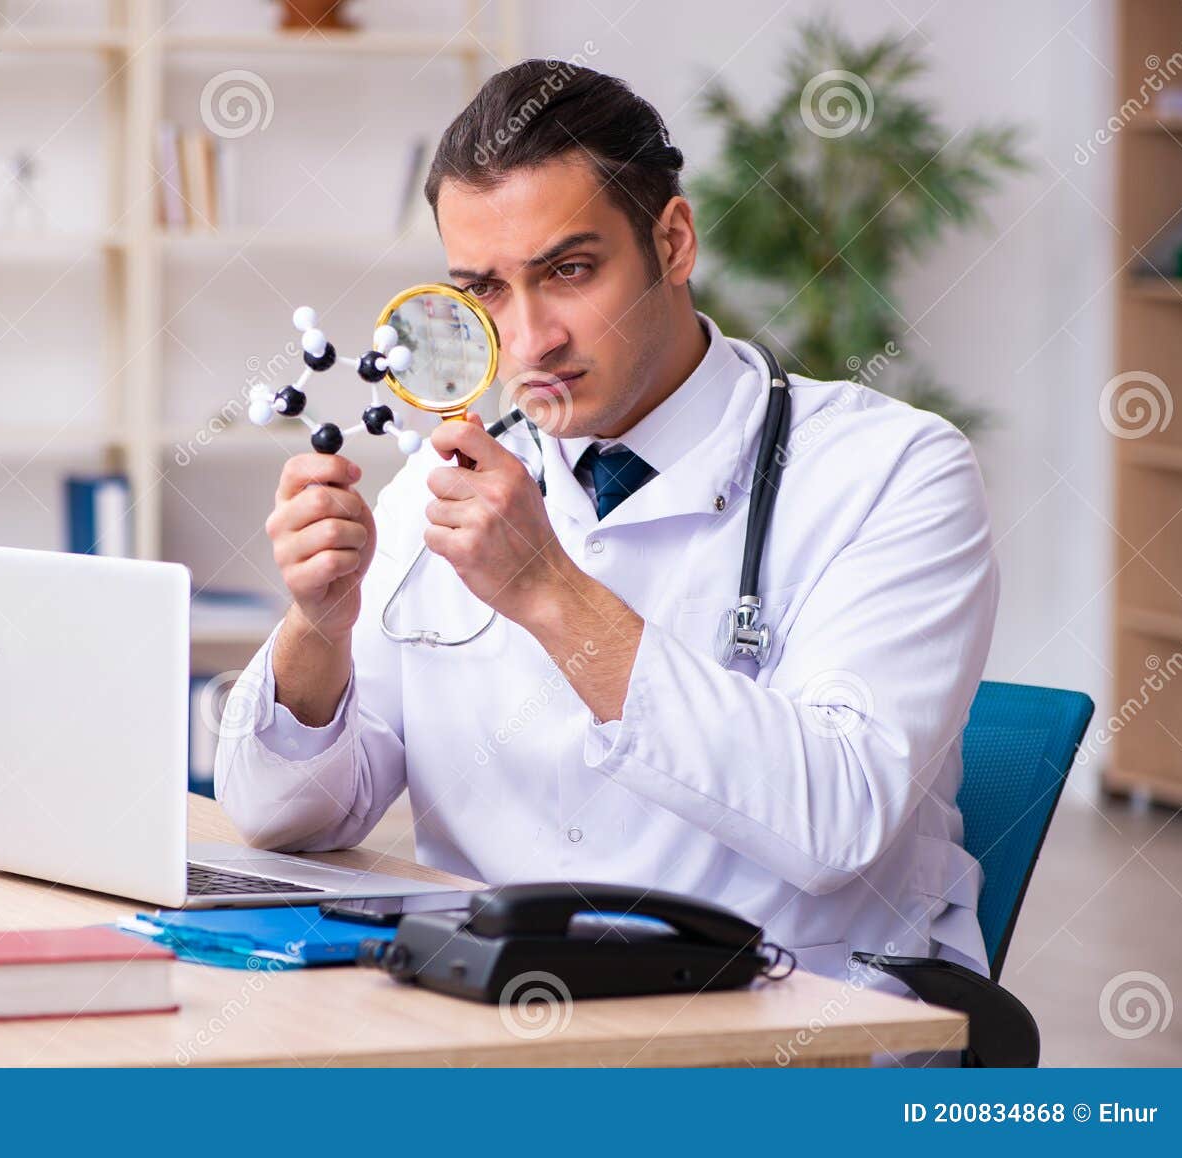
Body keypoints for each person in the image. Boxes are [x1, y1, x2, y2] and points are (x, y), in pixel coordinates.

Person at [215, 59, 998, 988]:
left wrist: (546, 590)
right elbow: (284, 819)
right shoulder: (438, 484)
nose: (532, 338)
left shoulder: (893, 472)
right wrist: (319, 627)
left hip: (782, 1033)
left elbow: (839, 822)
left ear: (672, 242)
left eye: (570, 270)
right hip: (491, 1022)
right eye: (488, 291)